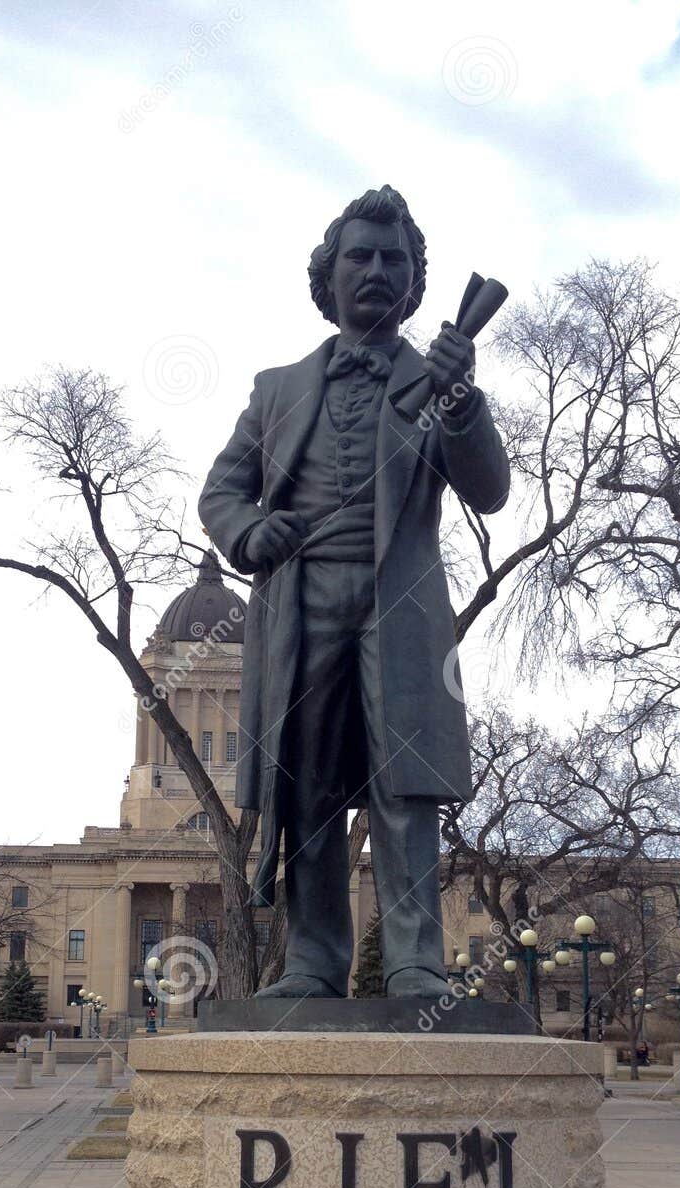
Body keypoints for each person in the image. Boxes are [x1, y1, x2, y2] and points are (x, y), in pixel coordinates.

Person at [199, 186, 509, 999]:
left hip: (399, 605)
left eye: (393, 260)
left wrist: (463, 402)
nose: (376, 270)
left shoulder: (438, 381)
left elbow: (489, 490)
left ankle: (414, 962)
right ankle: (312, 960)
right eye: (359, 256)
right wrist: (247, 532)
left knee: (405, 782)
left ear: (414, 285)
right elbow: (222, 491)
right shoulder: (275, 390)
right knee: (306, 785)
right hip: (298, 607)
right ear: (327, 276)